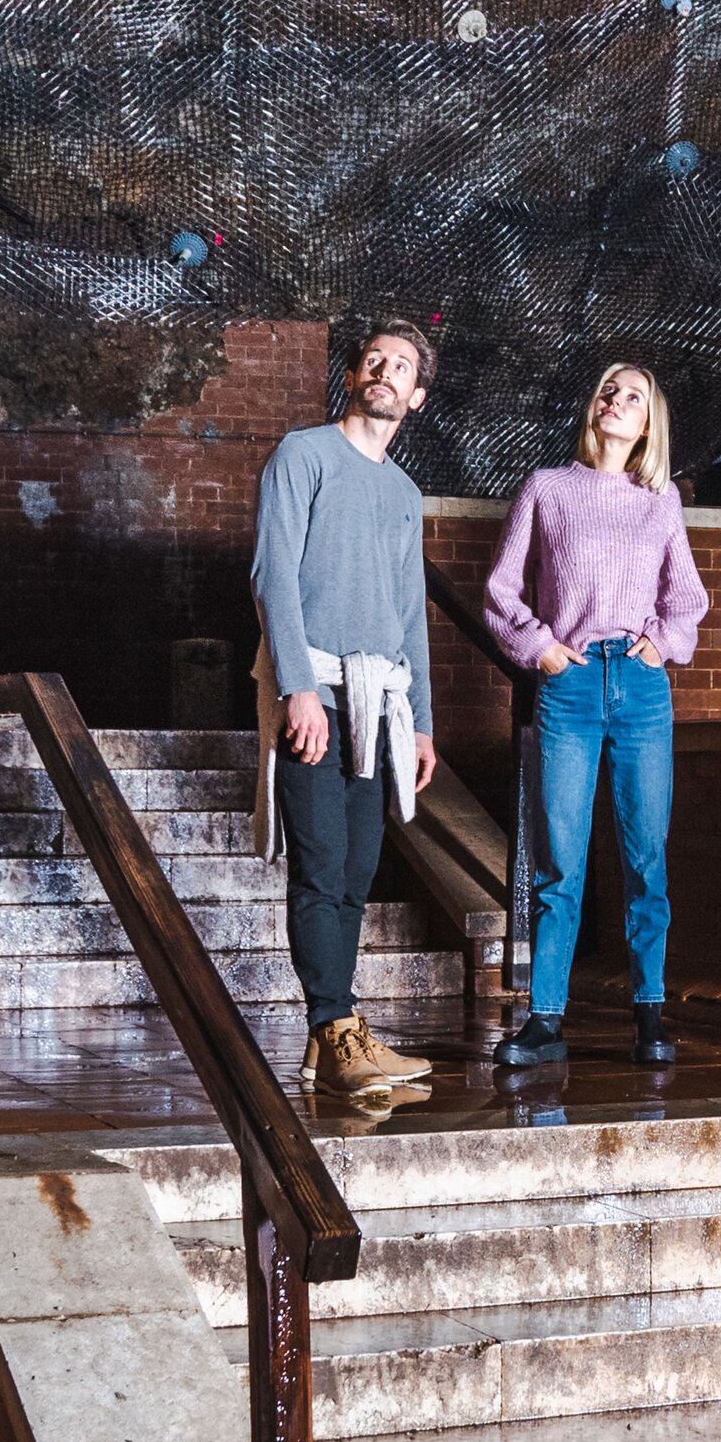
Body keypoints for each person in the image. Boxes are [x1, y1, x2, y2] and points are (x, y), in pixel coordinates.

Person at [481, 364, 710, 1068]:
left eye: (633, 396)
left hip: (640, 689)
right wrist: (539, 647)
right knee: (560, 861)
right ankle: (545, 1020)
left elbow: (688, 598)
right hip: (570, 688)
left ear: (649, 424)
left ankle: (649, 1014)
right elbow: (499, 586)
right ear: (594, 407)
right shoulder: (546, 489)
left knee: (646, 858)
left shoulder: (660, 500)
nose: (616, 401)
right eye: (609, 389)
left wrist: (663, 646)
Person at [253, 319, 444, 1099]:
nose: (384, 371)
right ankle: (337, 1027)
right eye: (375, 359)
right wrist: (298, 687)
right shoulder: (303, 455)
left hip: (382, 701)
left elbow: (411, 612)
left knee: (358, 870)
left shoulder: (402, 492)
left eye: (401, 366)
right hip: (318, 689)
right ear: (356, 374)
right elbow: (274, 576)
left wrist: (424, 720)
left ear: (417, 397)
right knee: (321, 864)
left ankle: (325, 1042)